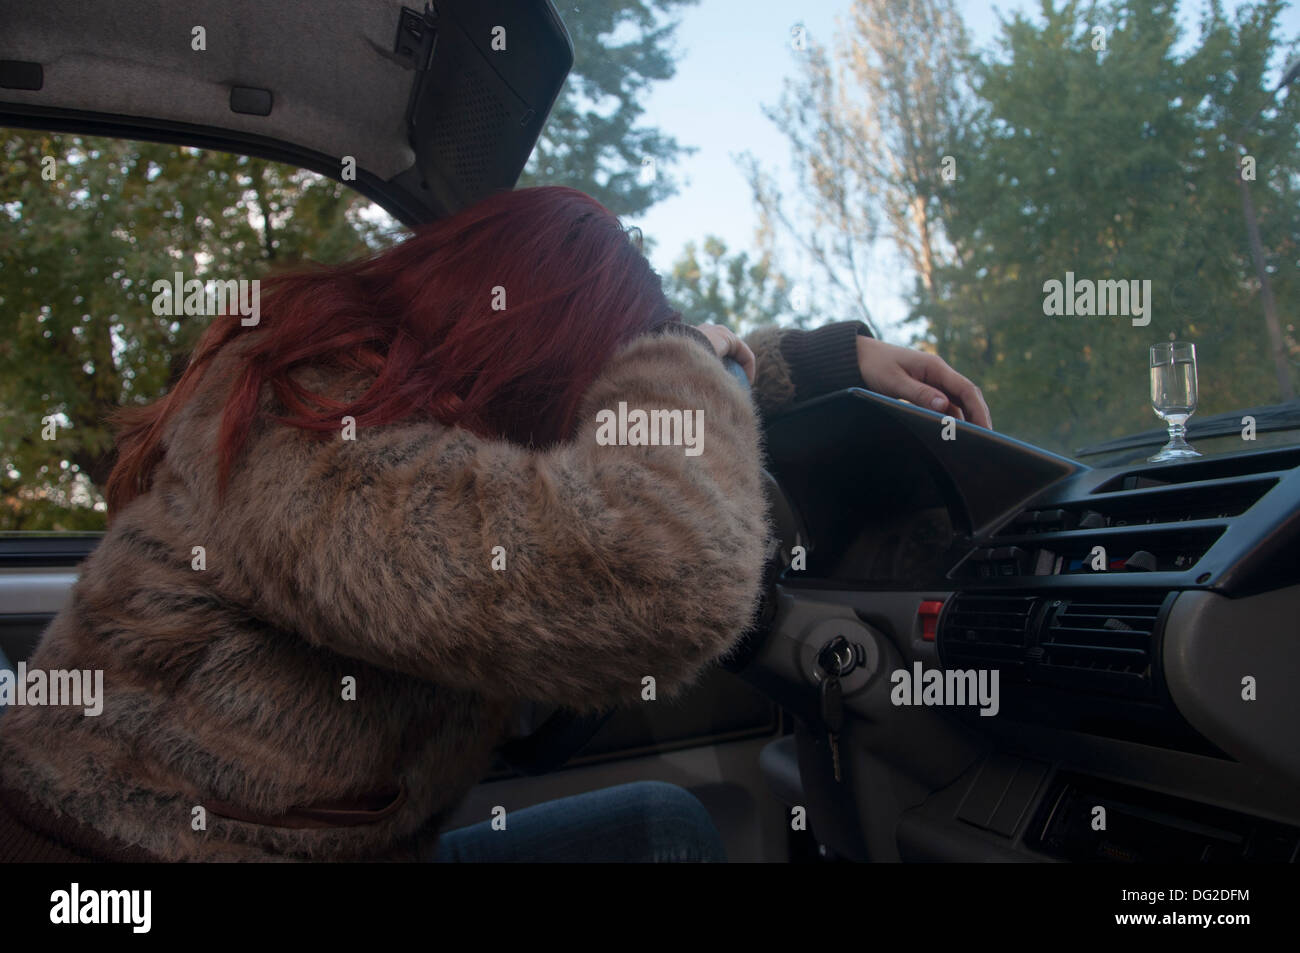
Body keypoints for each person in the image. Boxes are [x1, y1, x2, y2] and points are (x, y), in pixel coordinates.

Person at [0, 186, 989, 862]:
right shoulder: (315, 436)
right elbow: (663, 571)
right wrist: (687, 355)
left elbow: (580, 429)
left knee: (657, 824)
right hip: (125, 857)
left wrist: (804, 363)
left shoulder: (393, 411)